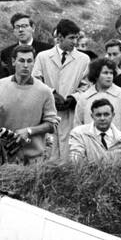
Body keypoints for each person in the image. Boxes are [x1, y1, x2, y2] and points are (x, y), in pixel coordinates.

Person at [0, 45, 58, 164]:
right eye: (21, 60)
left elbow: (52, 124)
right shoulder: (1, 84)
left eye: (29, 61)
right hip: (1, 158)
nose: (26, 65)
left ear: (34, 63)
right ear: (13, 62)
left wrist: (29, 131)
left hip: (32, 159)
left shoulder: (44, 91)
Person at [33, 19, 91, 161]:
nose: (75, 42)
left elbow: (87, 85)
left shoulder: (83, 59)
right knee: (49, 153)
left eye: (77, 38)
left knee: (70, 152)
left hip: (71, 113)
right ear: (59, 37)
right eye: (71, 38)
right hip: (48, 112)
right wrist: (51, 93)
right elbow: (36, 80)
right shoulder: (43, 57)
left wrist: (73, 98)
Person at [72, 56, 121, 132]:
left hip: (116, 142)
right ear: (96, 75)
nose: (109, 76)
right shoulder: (85, 97)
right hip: (90, 142)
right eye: (105, 73)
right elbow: (77, 126)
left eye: (111, 73)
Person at [68, 97, 121, 163]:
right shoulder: (79, 133)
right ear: (92, 116)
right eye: (98, 115)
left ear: (113, 115)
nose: (102, 118)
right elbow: (75, 160)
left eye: (106, 114)